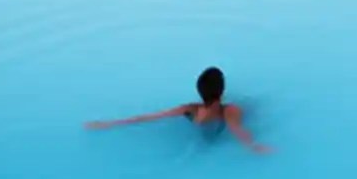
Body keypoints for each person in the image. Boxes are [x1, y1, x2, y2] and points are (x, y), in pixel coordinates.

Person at [84, 67, 272, 154]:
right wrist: (255, 147)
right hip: (216, 131)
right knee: (253, 105)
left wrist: (108, 124)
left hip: (200, 125)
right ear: (222, 92)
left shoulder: (188, 109)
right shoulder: (230, 111)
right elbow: (238, 131)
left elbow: (147, 118)